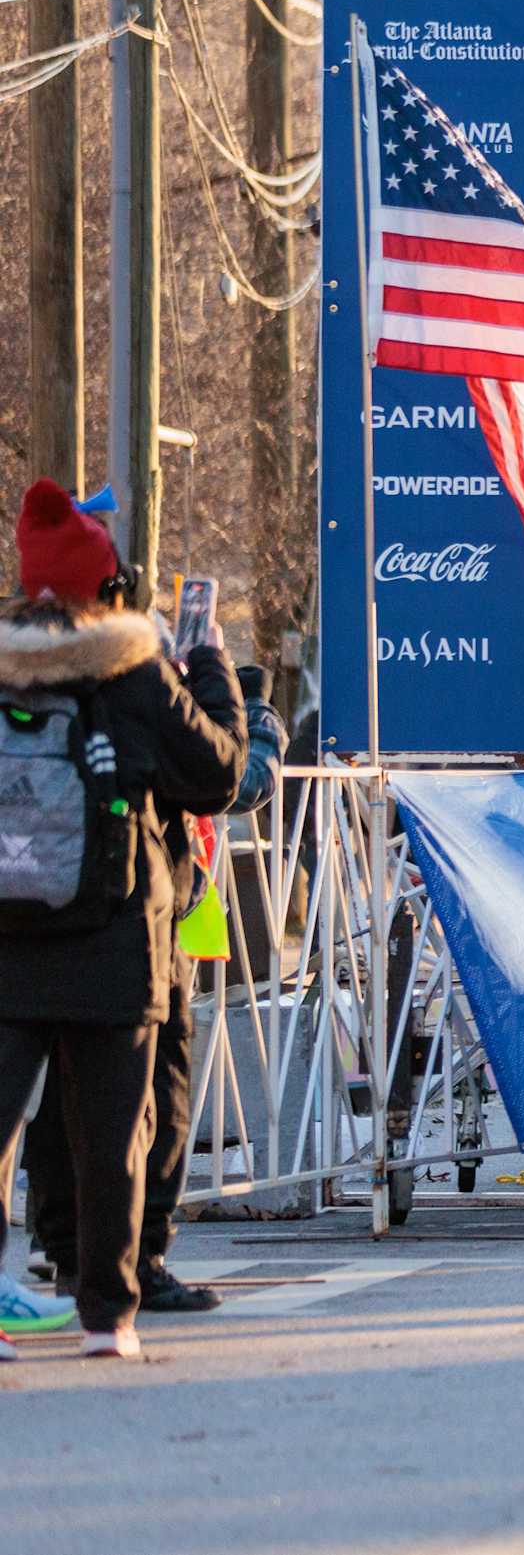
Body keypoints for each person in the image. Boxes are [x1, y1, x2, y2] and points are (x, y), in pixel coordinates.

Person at [0, 483, 244, 1360]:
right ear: (109, 586)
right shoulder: (134, 670)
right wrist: (209, 670)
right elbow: (213, 773)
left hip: (8, 942)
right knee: (115, 1135)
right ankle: (109, 1314)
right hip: (115, 946)